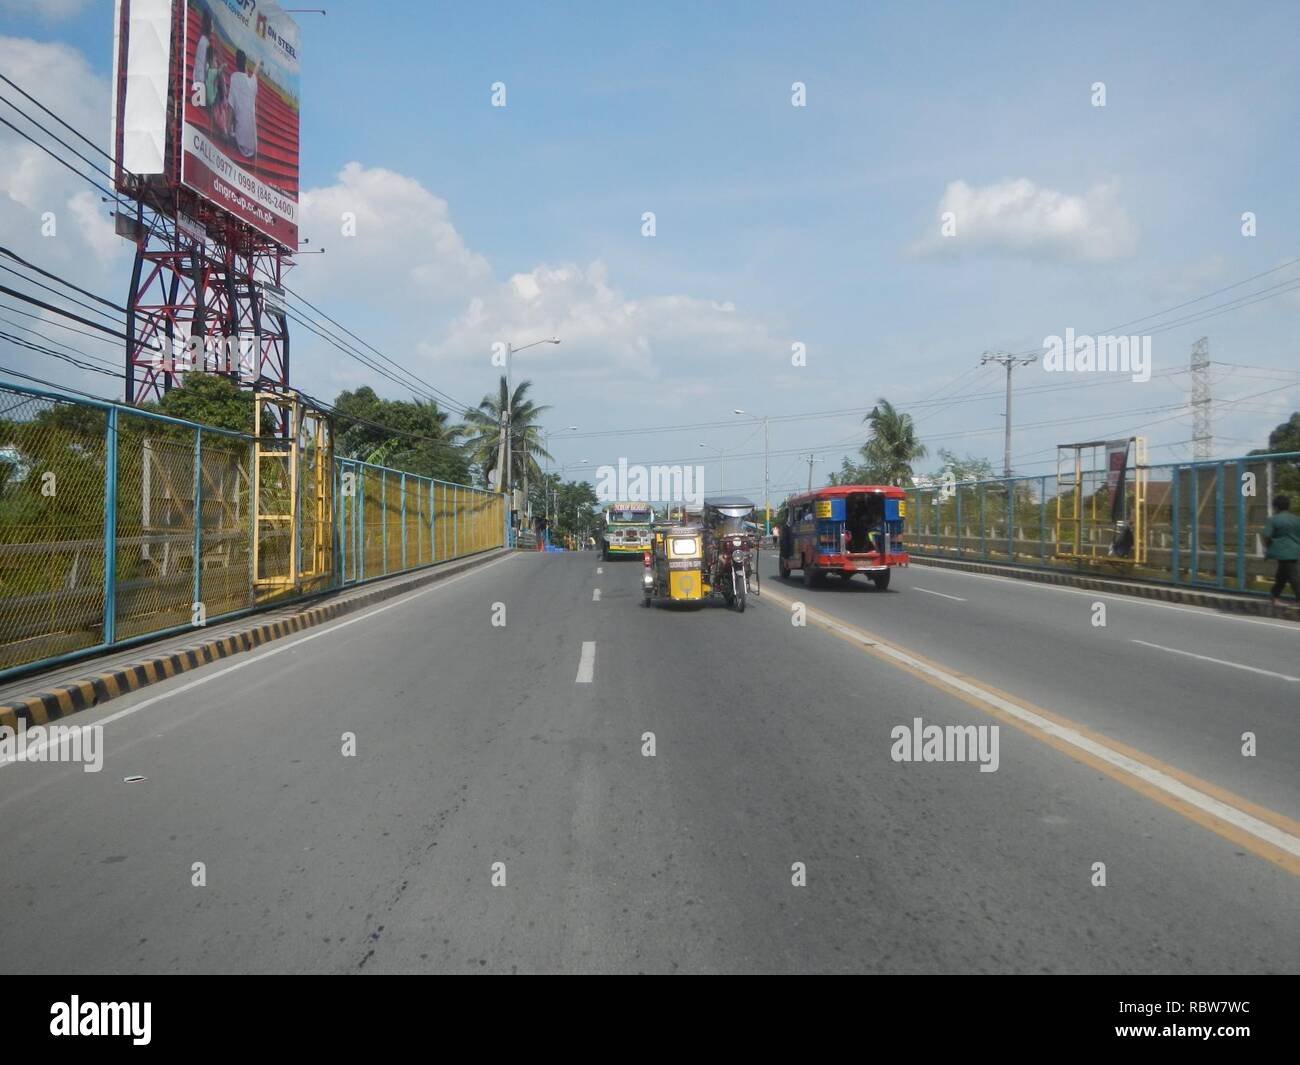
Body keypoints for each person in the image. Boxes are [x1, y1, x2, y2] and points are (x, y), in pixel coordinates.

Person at [1263, 494, 1300, 607]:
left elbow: (1266, 535)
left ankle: (1275, 597)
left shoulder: (1273, 520)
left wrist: (1269, 546)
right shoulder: (1297, 519)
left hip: (1281, 552)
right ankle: (1274, 596)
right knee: (1284, 574)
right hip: (1295, 551)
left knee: (1290, 576)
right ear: (1288, 506)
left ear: (1276, 507)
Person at [227, 49, 261, 160]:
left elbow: (230, 107)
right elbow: (255, 73)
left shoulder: (234, 78)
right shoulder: (251, 84)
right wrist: (258, 63)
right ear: (245, 64)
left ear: (236, 63)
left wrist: (227, 130)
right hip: (253, 146)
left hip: (239, 142)